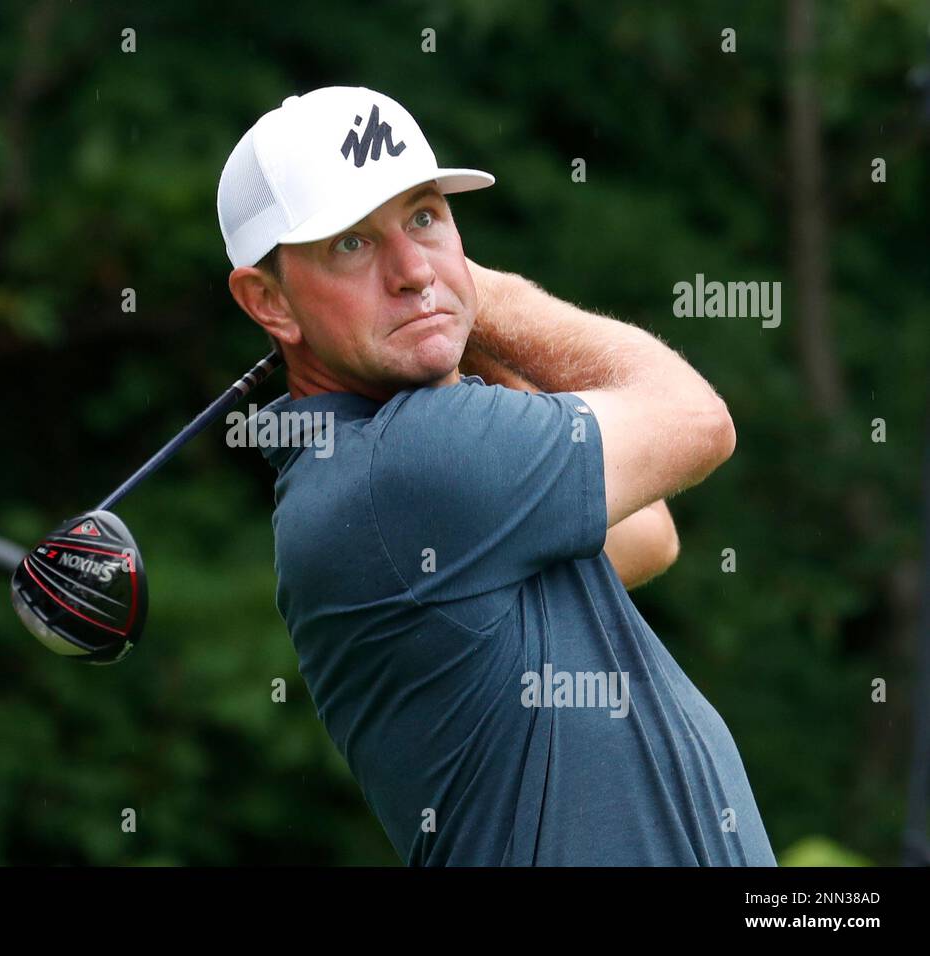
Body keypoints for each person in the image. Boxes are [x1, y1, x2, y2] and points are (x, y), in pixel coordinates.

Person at [216, 85, 776, 866]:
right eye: (352, 243)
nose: (413, 270)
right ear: (269, 302)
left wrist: (449, 328)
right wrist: (485, 295)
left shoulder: (386, 465)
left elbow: (648, 534)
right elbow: (695, 420)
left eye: (424, 218)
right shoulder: (411, 464)